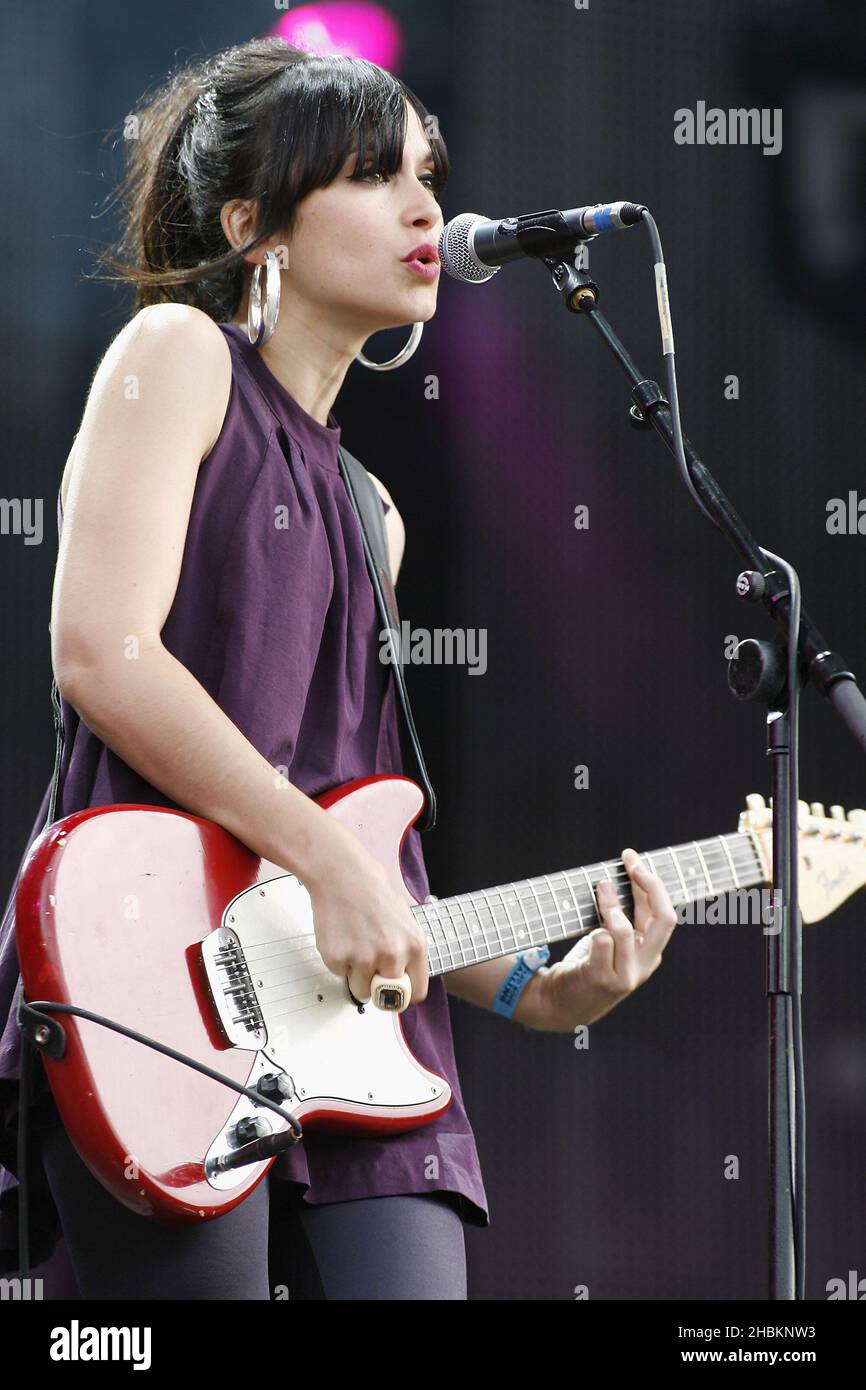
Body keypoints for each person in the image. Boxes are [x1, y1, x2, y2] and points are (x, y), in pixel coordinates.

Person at [0, 37, 677, 1300]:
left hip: (355, 1034)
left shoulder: (374, 513)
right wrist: (322, 859)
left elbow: (357, 836)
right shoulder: (176, 355)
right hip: (158, 974)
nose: (427, 206)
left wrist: (536, 986)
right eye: (375, 175)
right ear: (254, 223)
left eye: (427, 170)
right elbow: (102, 652)